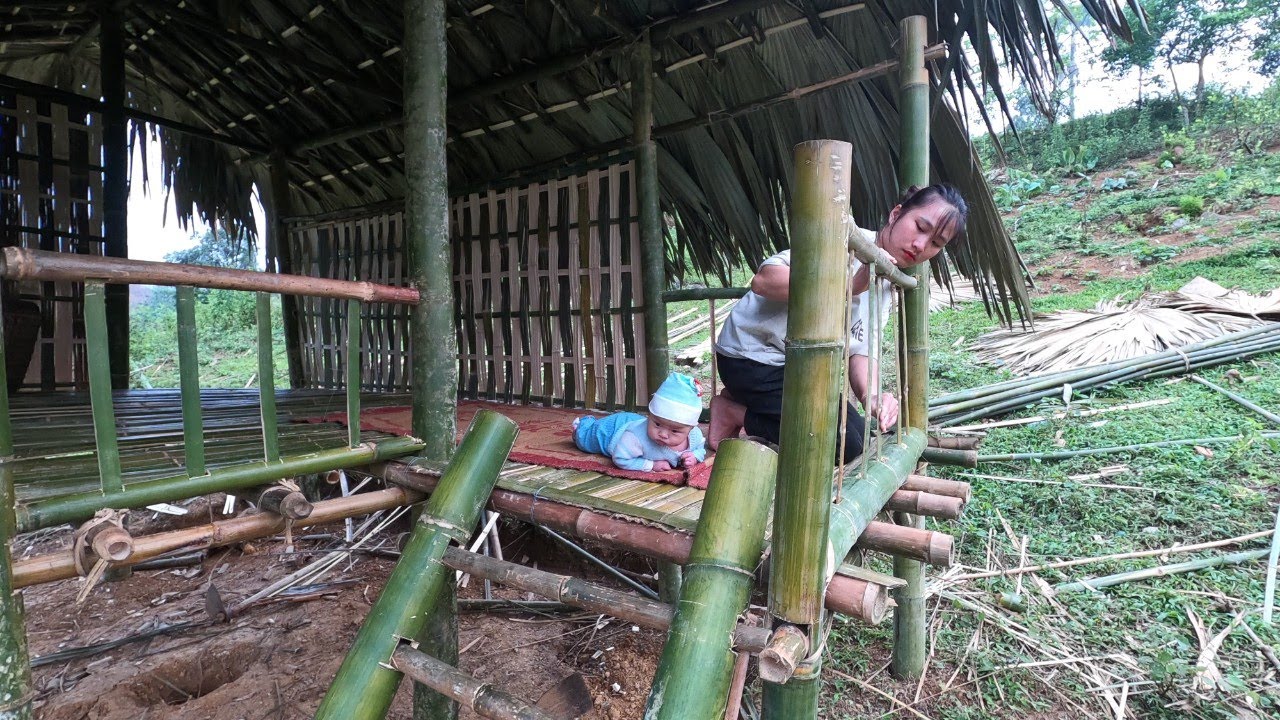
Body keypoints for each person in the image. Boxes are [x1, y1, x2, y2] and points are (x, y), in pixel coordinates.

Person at [708, 184, 968, 461]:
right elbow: (764, 281)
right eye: (920, 226)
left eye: (936, 244)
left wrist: (873, 396)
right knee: (838, 444)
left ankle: (741, 408)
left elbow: (861, 349)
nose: (920, 245)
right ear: (896, 214)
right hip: (750, 359)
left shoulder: (886, 278)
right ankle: (734, 412)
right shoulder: (845, 242)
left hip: (799, 368)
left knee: (853, 439)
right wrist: (850, 286)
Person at [573, 372, 708, 472]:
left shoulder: (694, 435)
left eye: (674, 431)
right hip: (613, 431)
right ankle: (582, 424)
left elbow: (700, 449)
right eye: (657, 424)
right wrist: (651, 465)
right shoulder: (635, 438)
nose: (663, 434)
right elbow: (620, 459)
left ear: (691, 428)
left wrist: (695, 456)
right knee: (586, 440)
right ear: (650, 415)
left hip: (635, 421)